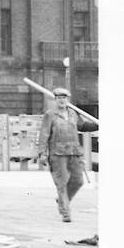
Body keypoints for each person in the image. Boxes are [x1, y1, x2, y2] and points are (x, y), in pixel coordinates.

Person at [36, 88, 98, 223]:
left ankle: (62, 200)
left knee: (78, 181)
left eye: (64, 97)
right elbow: (44, 134)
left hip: (74, 152)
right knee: (61, 183)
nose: (62, 100)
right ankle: (65, 212)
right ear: (55, 100)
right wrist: (42, 153)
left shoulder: (73, 114)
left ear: (68, 99)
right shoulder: (50, 115)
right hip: (57, 154)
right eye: (59, 98)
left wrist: (98, 125)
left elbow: (83, 126)